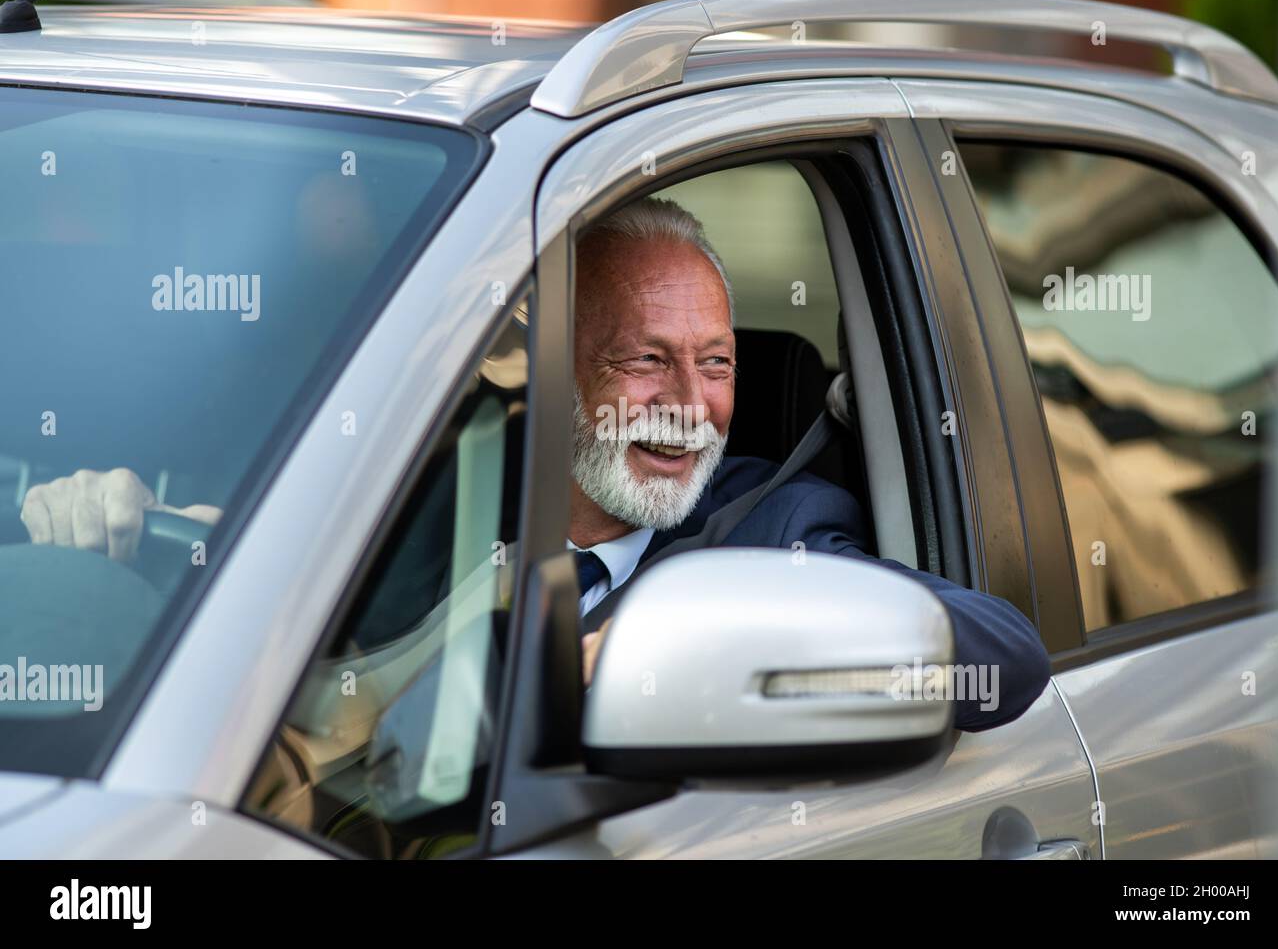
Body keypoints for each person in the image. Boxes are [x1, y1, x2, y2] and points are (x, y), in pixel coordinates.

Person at [20, 197, 1050, 731]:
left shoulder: (771, 532)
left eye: (717, 363)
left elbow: (1005, 656)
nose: (692, 407)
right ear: (549, 370)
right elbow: (263, 551)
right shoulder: (440, 482)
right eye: (646, 359)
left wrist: (661, 652)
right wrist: (118, 520)